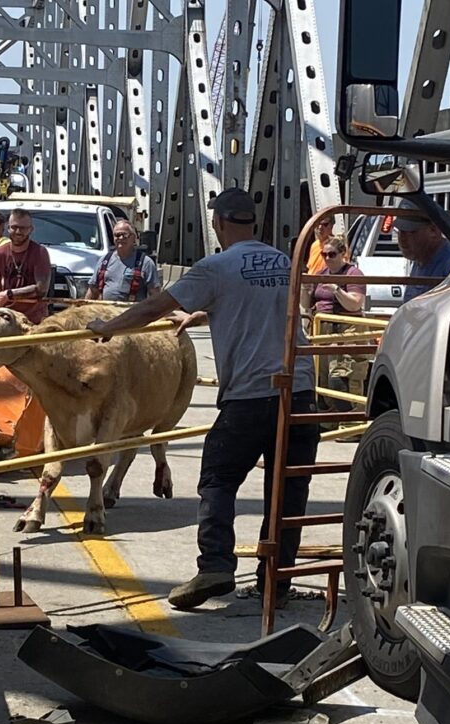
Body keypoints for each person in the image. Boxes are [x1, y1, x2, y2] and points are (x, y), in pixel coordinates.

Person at [86, 187, 320, 611]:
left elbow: (152, 308)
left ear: (218, 223)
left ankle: (215, 565)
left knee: (218, 477)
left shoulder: (215, 267)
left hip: (250, 395)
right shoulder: (282, 261)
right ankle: (276, 585)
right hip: (300, 392)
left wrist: (110, 327)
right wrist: (206, 312)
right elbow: (260, 305)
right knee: (288, 491)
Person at [301, 234, 368, 415]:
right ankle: (328, 421)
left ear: (342, 254)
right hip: (322, 330)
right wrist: (305, 288)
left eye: (332, 254)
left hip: (346, 330)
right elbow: (306, 304)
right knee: (322, 379)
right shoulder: (321, 274)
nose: (328, 258)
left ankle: (351, 423)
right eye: (324, 255)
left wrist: (337, 290)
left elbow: (355, 303)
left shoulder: (353, 273)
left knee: (341, 378)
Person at [0, 208, 52, 324]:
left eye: (22, 228)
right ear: (8, 228)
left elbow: (41, 289)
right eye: (14, 227)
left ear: (31, 229)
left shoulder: (39, 253)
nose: (18, 232)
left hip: (34, 319)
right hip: (7, 317)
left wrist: (9, 294)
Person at [85, 221, 160, 302]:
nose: (120, 238)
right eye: (117, 235)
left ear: (133, 238)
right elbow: (92, 290)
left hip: (132, 312)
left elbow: (155, 294)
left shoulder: (145, 263)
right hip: (106, 311)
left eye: (124, 235)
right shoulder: (104, 260)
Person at [394, 210, 450, 301]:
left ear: (433, 230)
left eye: (411, 232)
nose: (402, 238)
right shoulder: (421, 257)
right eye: (400, 231)